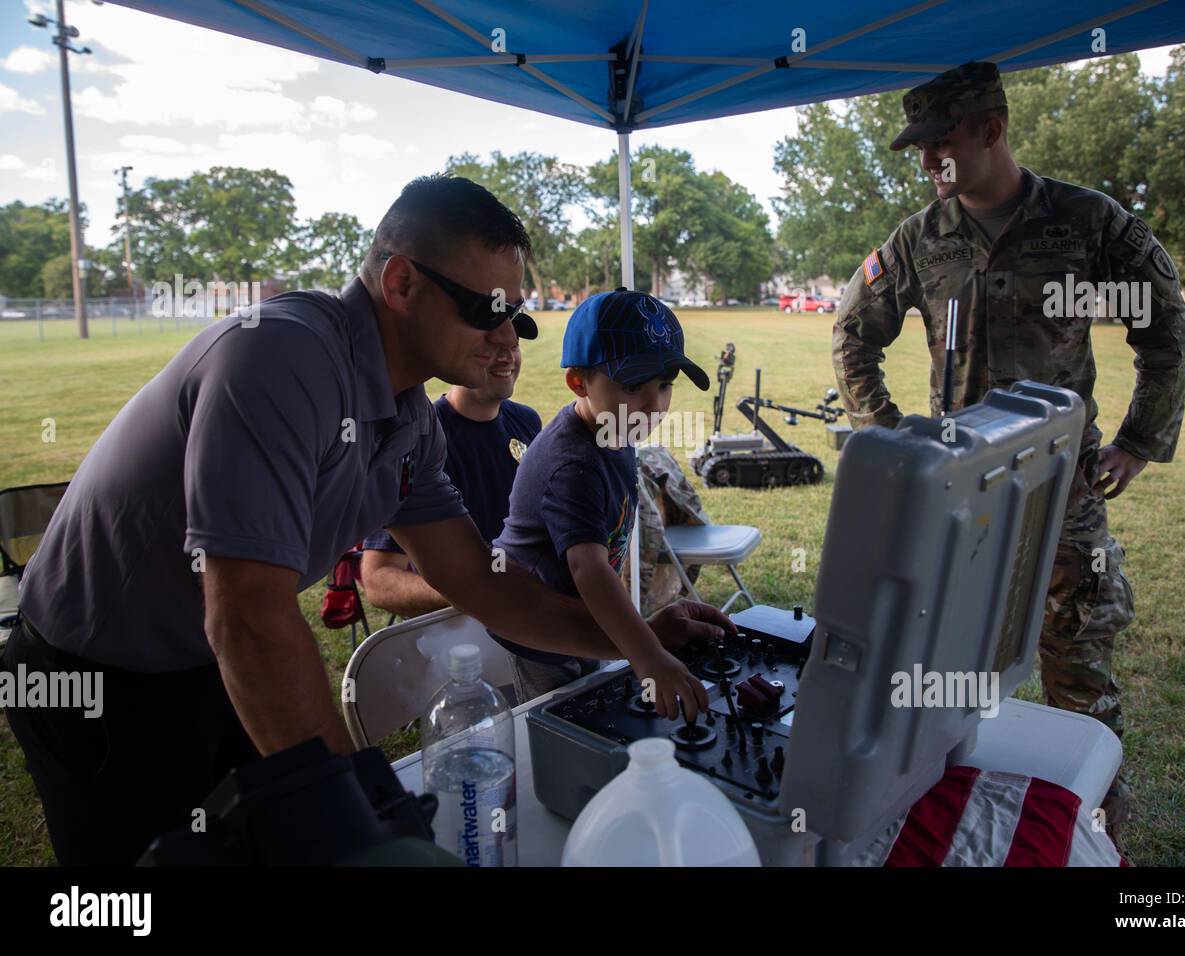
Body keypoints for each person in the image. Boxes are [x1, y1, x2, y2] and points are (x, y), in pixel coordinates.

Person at [3, 176, 733, 866]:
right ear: (400, 283)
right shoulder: (280, 358)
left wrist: (631, 642)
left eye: (516, 312)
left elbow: (481, 582)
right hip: (97, 674)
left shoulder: (408, 419)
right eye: (488, 309)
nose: (506, 334)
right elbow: (249, 616)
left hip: (207, 658)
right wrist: (360, 819)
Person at [831, 62, 1185, 848]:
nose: (928, 162)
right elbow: (853, 331)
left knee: (1080, 664)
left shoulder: (1084, 222)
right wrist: (885, 428)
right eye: (919, 148)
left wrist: (1138, 440)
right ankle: (963, 824)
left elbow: (1165, 325)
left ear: (992, 129)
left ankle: (1095, 838)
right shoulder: (920, 240)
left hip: (1063, 488)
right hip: (960, 497)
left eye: (940, 143)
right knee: (949, 667)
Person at [492, 289, 713, 712]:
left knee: (596, 708)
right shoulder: (572, 463)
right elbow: (588, 567)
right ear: (579, 381)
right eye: (633, 385)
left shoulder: (618, 428)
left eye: (665, 385)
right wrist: (648, 658)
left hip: (584, 615)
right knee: (557, 722)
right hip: (539, 626)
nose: (654, 405)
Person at [360, 342, 541, 619]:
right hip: (463, 635)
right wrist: (483, 594)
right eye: (490, 347)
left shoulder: (527, 421)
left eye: (513, 345)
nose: (506, 356)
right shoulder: (419, 440)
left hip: (531, 611)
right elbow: (379, 579)